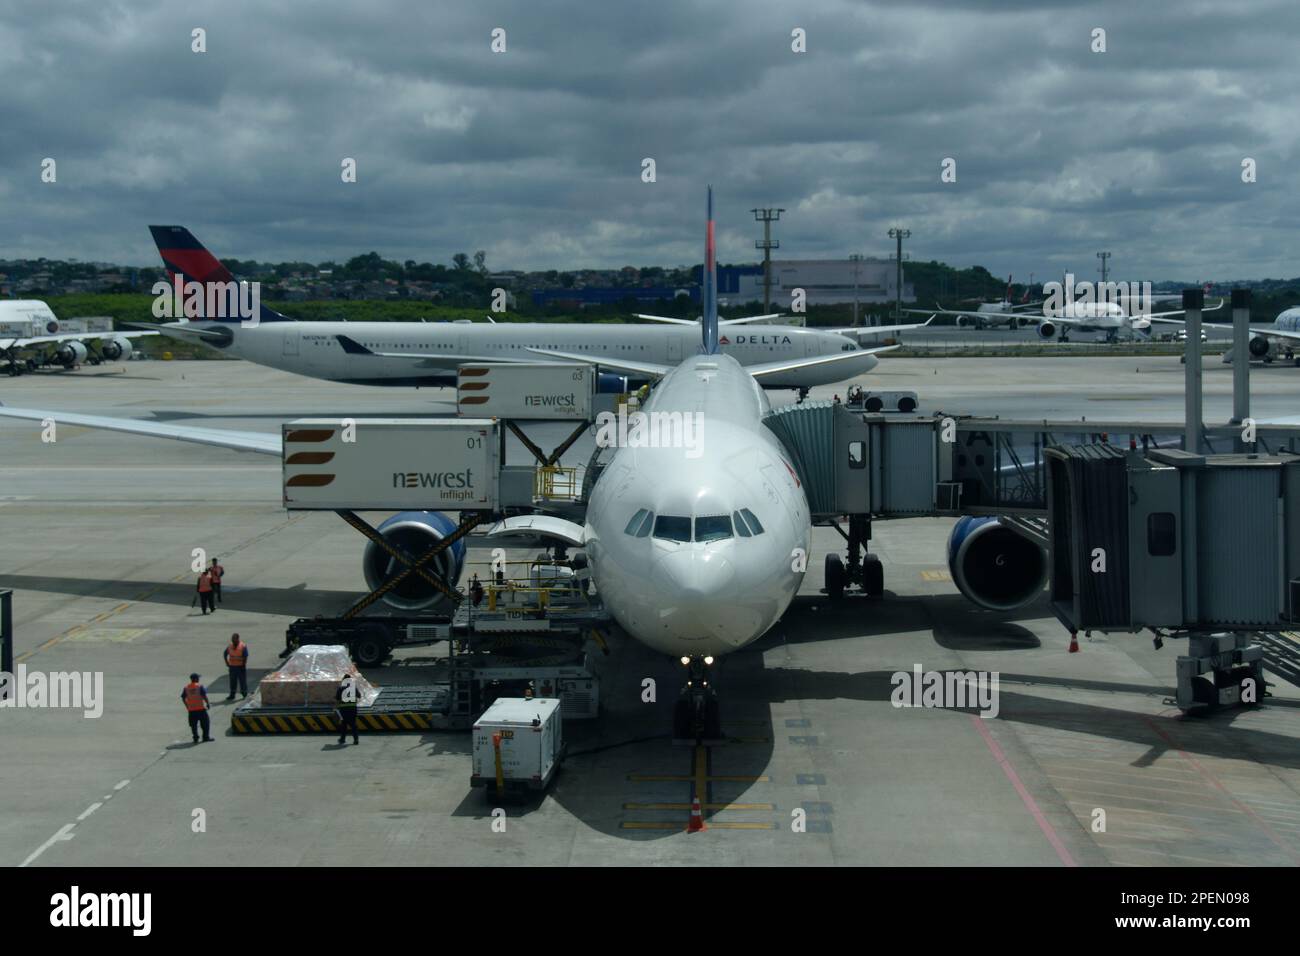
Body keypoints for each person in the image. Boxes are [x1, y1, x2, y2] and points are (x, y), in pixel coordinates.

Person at [182, 673, 213, 743]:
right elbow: (204, 695)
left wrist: (187, 706)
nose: (199, 679)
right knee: (205, 724)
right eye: (198, 678)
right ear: (195, 679)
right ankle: (205, 737)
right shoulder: (199, 686)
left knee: (193, 725)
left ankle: (195, 738)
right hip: (201, 709)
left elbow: (183, 698)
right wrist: (207, 703)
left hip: (191, 710)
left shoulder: (186, 688)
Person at [336, 674, 360, 745]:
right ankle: (356, 740)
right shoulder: (353, 688)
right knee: (353, 724)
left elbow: (337, 698)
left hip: (343, 709)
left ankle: (342, 739)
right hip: (353, 709)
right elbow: (359, 695)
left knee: (344, 724)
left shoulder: (340, 688)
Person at [223, 633, 248, 700]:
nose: (233, 641)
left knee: (242, 680)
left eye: (234, 639)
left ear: (238, 639)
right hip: (232, 666)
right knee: (232, 681)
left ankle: (244, 693)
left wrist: (243, 664)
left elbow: (245, 656)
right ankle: (232, 694)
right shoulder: (230, 646)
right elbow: (225, 654)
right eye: (232, 639)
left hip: (240, 666)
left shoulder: (242, 646)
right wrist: (227, 662)